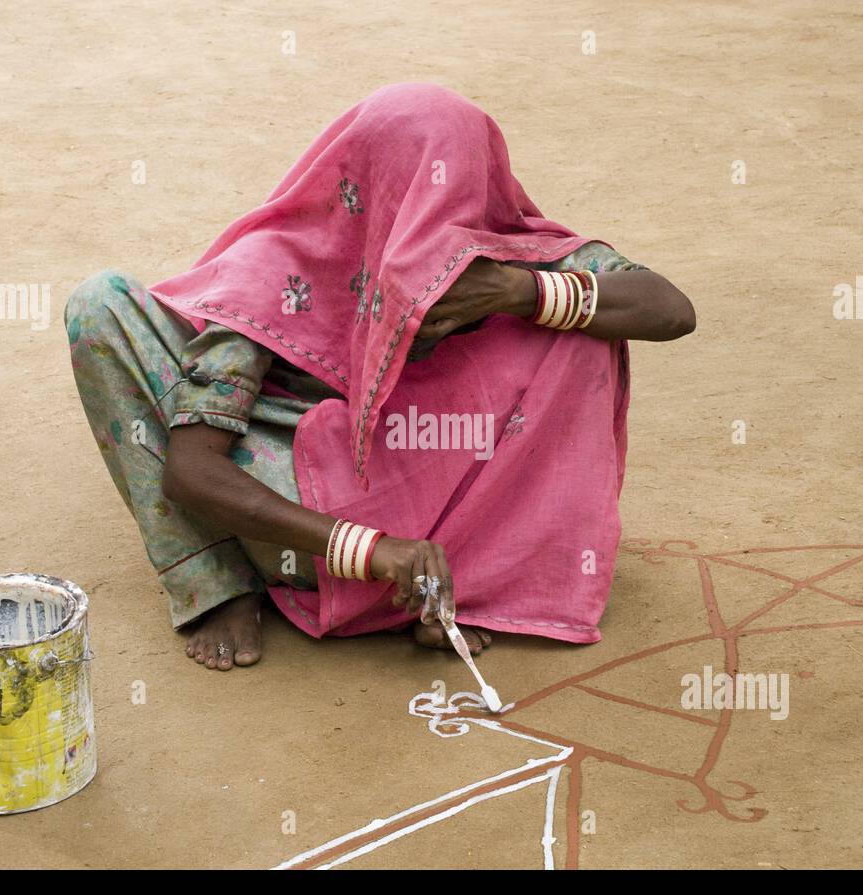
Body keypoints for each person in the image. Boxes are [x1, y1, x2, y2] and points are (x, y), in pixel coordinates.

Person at [65, 83, 695, 673]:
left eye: (451, 206)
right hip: (308, 509)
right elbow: (193, 470)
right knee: (99, 302)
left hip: (443, 509)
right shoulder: (284, 268)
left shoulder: (505, 249)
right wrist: (371, 550)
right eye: (414, 207)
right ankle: (218, 584)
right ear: (362, 194)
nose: (431, 235)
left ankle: (459, 584)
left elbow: (671, 310)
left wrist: (518, 290)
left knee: (585, 325)